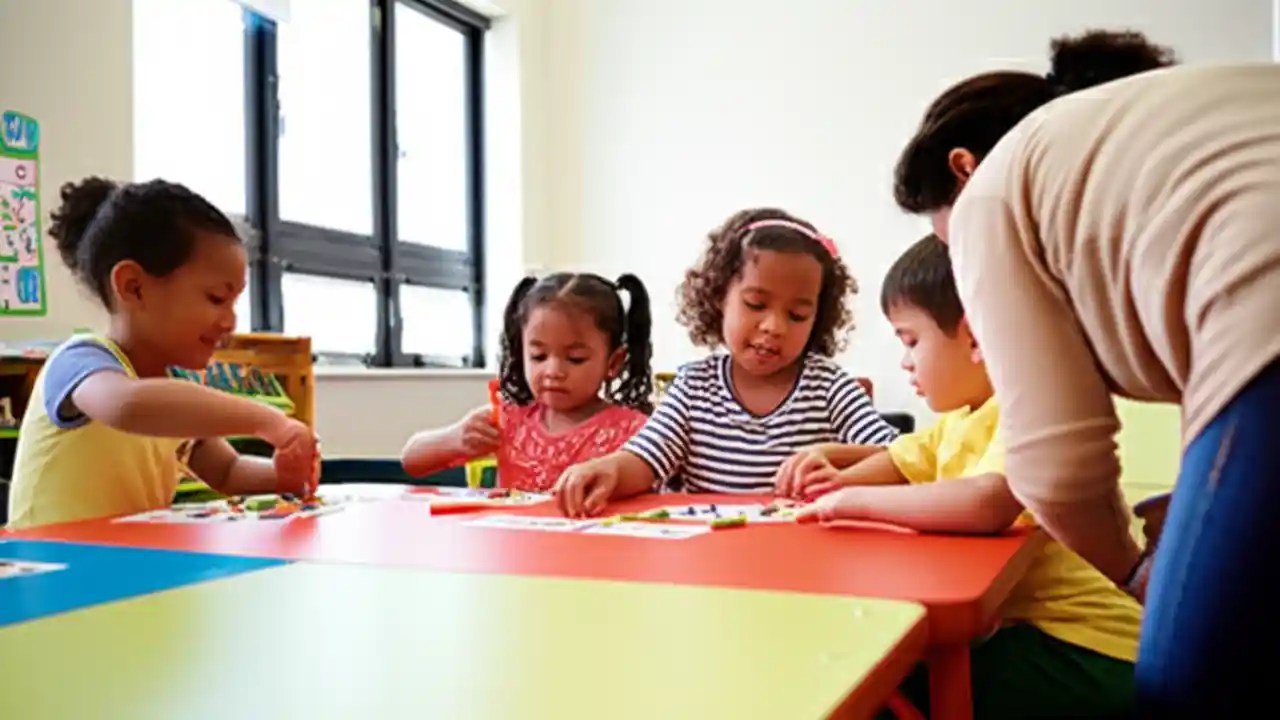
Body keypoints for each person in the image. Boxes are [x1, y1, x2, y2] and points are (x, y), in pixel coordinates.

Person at [894, 27, 1280, 714]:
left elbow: (1057, 469)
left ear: (963, 167)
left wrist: (1137, 572)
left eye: (946, 244)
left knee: (1188, 683)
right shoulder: (1145, 134)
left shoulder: (991, 195)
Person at [782, 235, 1141, 718]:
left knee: (890, 682)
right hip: (1039, 639)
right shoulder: (955, 424)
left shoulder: (1023, 412)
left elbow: (985, 502)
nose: (905, 362)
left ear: (974, 337)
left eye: (911, 341)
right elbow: (896, 462)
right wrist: (827, 479)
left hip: (1096, 654)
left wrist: (852, 502)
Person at [7, 177, 318, 529]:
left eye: (234, 303)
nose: (230, 321)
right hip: (47, 571)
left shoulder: (169, 398)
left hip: (119, 570)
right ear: (134, 287)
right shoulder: (82, 362)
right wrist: (268, 421)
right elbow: (129, 404)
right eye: (216, 298)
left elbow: (229, 471)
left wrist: (281, 475)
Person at [554, 207, 899, 517]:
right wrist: (608, 470)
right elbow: (644, 460)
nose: (774, 327)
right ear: (719, 298)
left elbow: (903, 456)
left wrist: (834, 459)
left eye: (797, 315)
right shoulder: (694, 386)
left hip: (802, 562)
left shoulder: (829, 386)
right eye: (755, 304)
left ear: (817, 318)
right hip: (709, 564)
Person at [401, 273, 653, 493]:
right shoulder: (507, 420)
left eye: (575, 359)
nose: (553, 371)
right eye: (538, 356)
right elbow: (411, 460)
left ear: (613, 362)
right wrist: (455, 438)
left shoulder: (633, 430)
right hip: (516, 546)